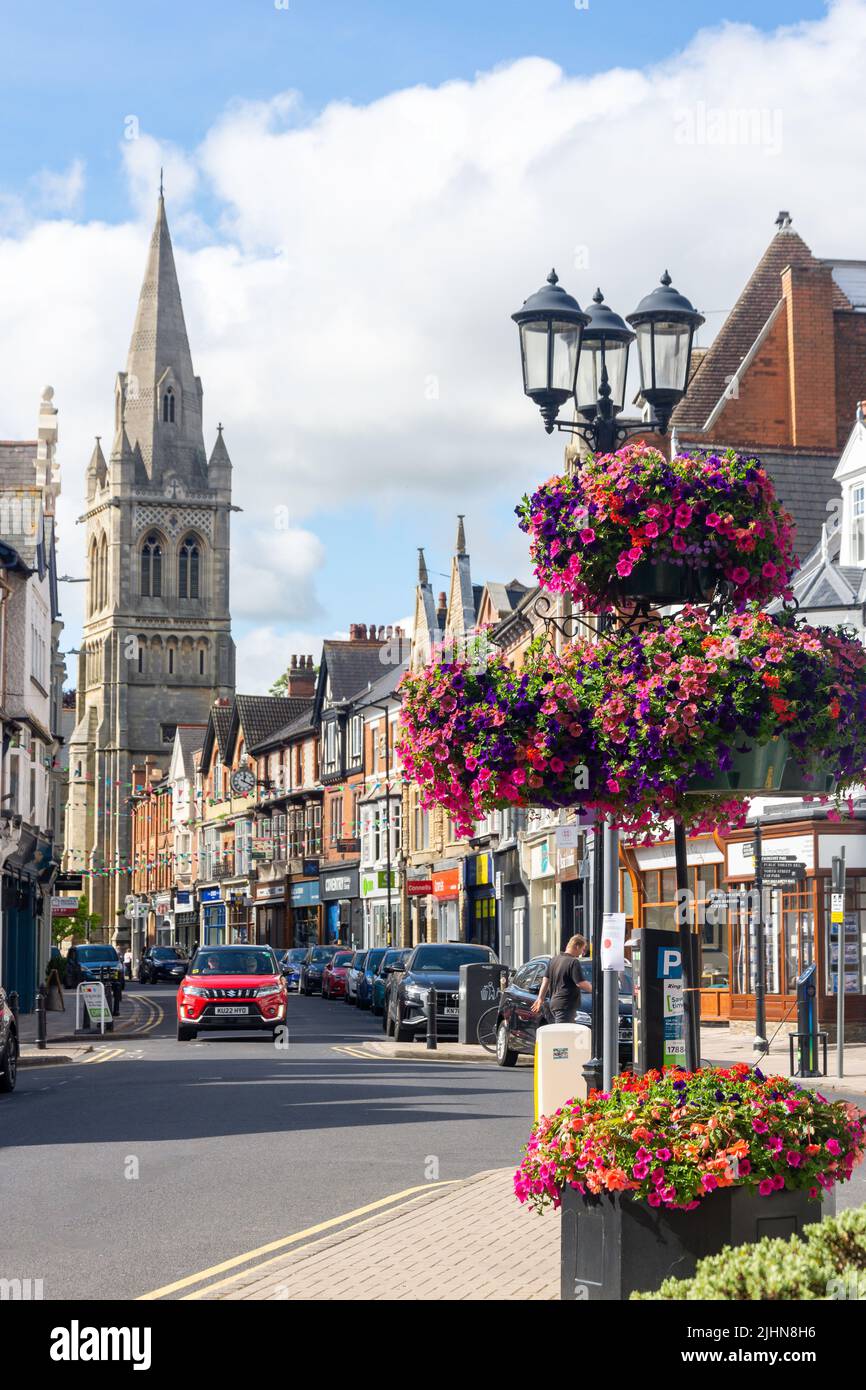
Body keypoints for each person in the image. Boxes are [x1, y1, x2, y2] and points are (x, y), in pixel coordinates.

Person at [531, 935, 591, 1024]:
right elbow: (580, 983)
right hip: (565, 1006)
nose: (582, 953)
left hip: (554, 1004)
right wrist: (596, 990)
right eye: (582, 949)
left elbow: (545, 980)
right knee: (564, 1035)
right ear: (577, 946)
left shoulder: (554, 960)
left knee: (563, 1033)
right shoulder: (573, 962)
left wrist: (540, 998)